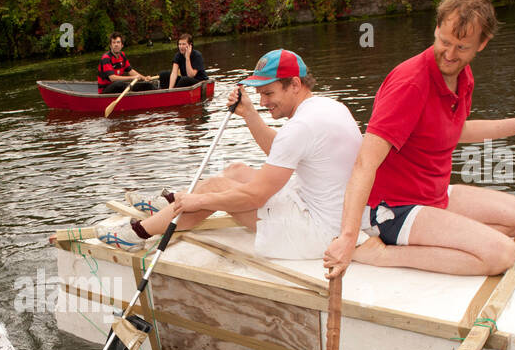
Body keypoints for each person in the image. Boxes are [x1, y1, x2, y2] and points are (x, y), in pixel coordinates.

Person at [323, 0, 515, 279]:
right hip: (391, 208)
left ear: (482, 44)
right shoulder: (410, 84)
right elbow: (365, 163)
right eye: (443, 41)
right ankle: (381, 254)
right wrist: (347, 237)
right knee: (502, 254)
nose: (448, 54)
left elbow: (455, 131)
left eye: (461, 48)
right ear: (436, 29)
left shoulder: (462, 77)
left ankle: (439, 233)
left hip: (433, 193)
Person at [93, 49, 363, 261]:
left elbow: (255, 196)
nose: (263, 101)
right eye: (259, 94)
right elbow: (281, 150)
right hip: (330, 213)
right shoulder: (327, 106)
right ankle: (169, 205)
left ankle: (139, 232)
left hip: (318, 232)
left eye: (268, 93)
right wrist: (249, 114)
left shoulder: (302, 125)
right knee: (235, 169)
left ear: (294, 84)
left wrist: (202, 199)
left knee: (217, 188)